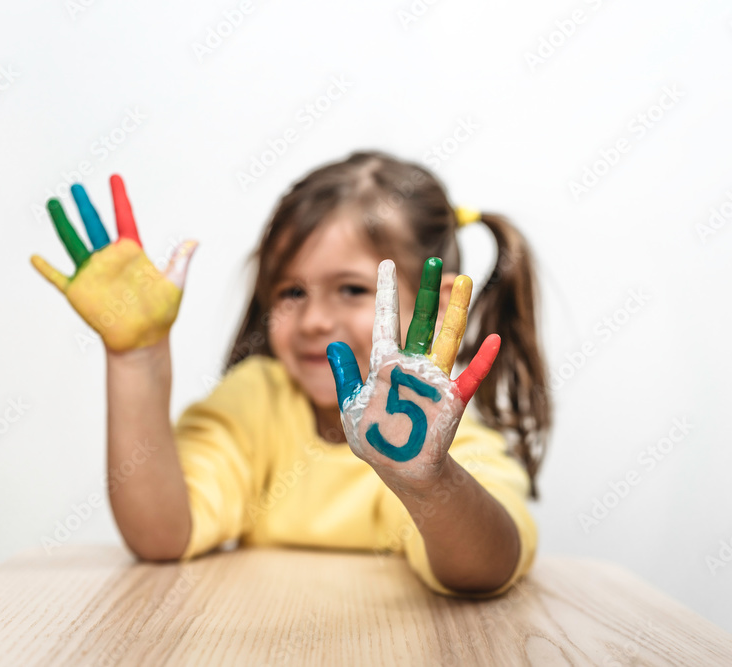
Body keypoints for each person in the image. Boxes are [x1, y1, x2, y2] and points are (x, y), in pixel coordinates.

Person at [30, 150, 552, 598]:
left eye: (351, 289)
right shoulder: (255, 401)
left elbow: (486, 570)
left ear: (436, 311)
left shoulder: (435, 432)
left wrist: (429, 482)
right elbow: (162, 535)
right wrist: (136, 356)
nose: (314, 320)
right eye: (291, 292)